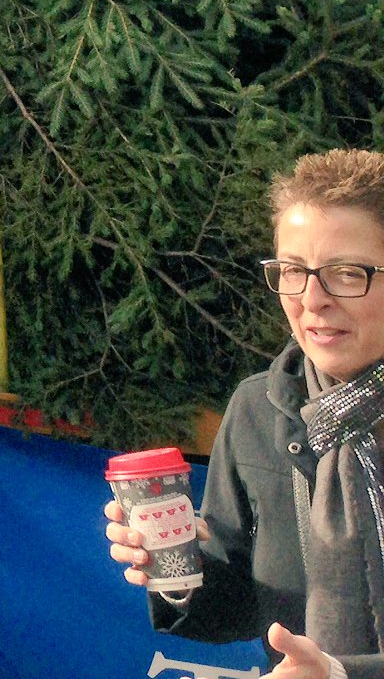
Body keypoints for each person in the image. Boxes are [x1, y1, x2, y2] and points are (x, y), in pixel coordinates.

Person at [105, 148, 384, 679]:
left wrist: (344, 673)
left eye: (347, 273)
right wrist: (179, 569)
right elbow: (238, 609)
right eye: (293, 271)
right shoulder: (261, 408)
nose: (312, 299)